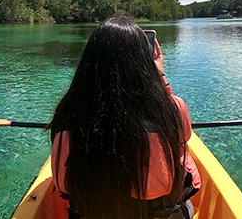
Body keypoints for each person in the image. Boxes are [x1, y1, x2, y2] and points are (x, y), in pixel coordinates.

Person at [48, 17, 201, 219]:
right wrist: (161, 77)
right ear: (144, 61)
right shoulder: (171, 108)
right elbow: (184, 137)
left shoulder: (66, 111)